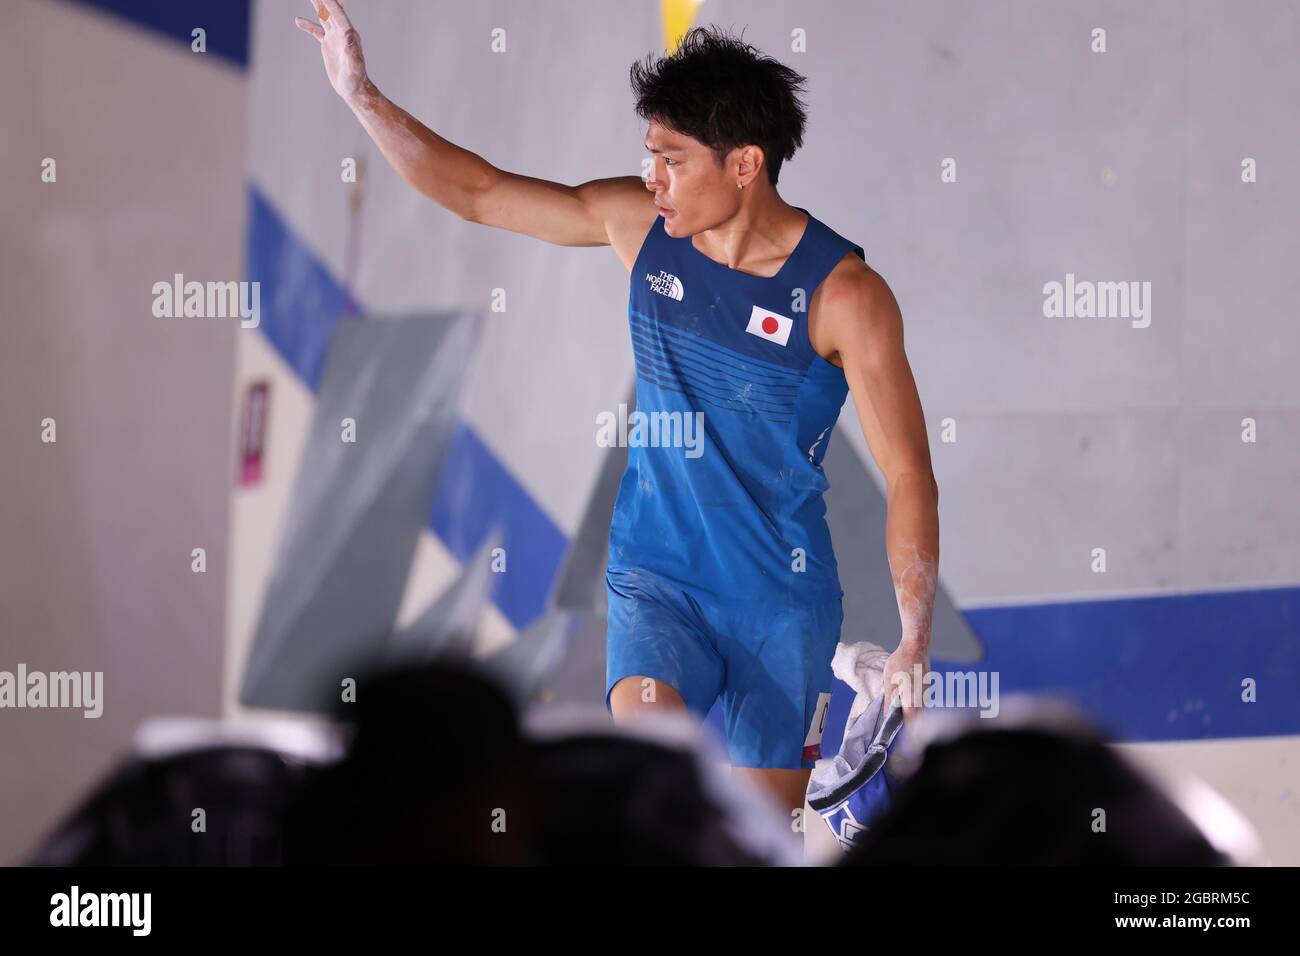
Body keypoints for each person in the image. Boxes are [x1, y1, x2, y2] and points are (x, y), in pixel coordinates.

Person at [296, 1, 940, 819]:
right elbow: (481, 193)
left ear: (744, 164)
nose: (651, 179)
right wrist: (362, 95)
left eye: (671, 160)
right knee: (648, 795)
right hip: (656, 580)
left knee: (753, 839)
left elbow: (909, 470)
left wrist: (916, 633)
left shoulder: (845, 296)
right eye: (649, 157)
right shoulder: (641, 229)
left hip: (781, 600)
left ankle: (840, 794)